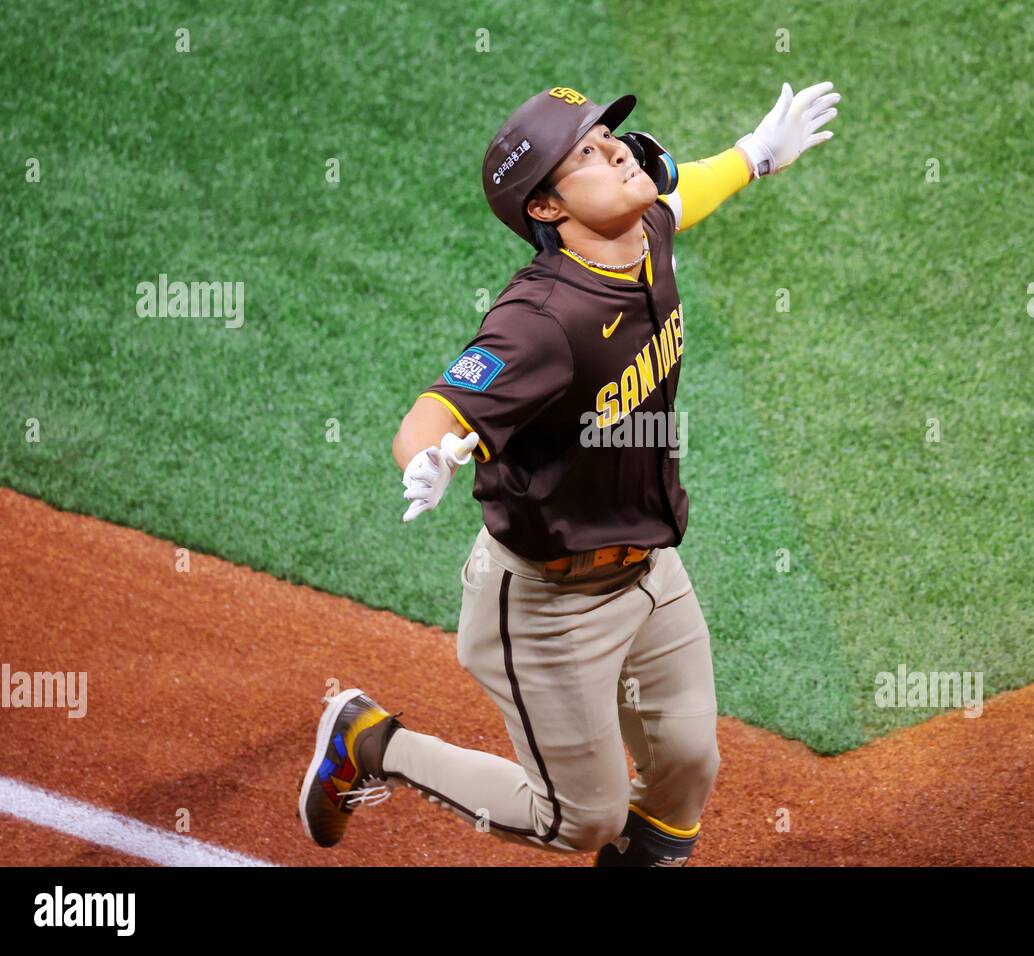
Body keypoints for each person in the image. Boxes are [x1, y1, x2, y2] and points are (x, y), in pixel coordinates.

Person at [299, 82, 840, 865]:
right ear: (547, 208)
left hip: (652, 573)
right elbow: (436, 410)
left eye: (608, 135)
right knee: (578, 820)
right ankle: (369, 743)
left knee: (686, 773)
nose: (616, 149)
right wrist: (427, 455)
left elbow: (683, 194)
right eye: (585, 151)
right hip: (549, 605)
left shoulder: (646, 232)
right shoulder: (542, 320)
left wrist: (754, 156)